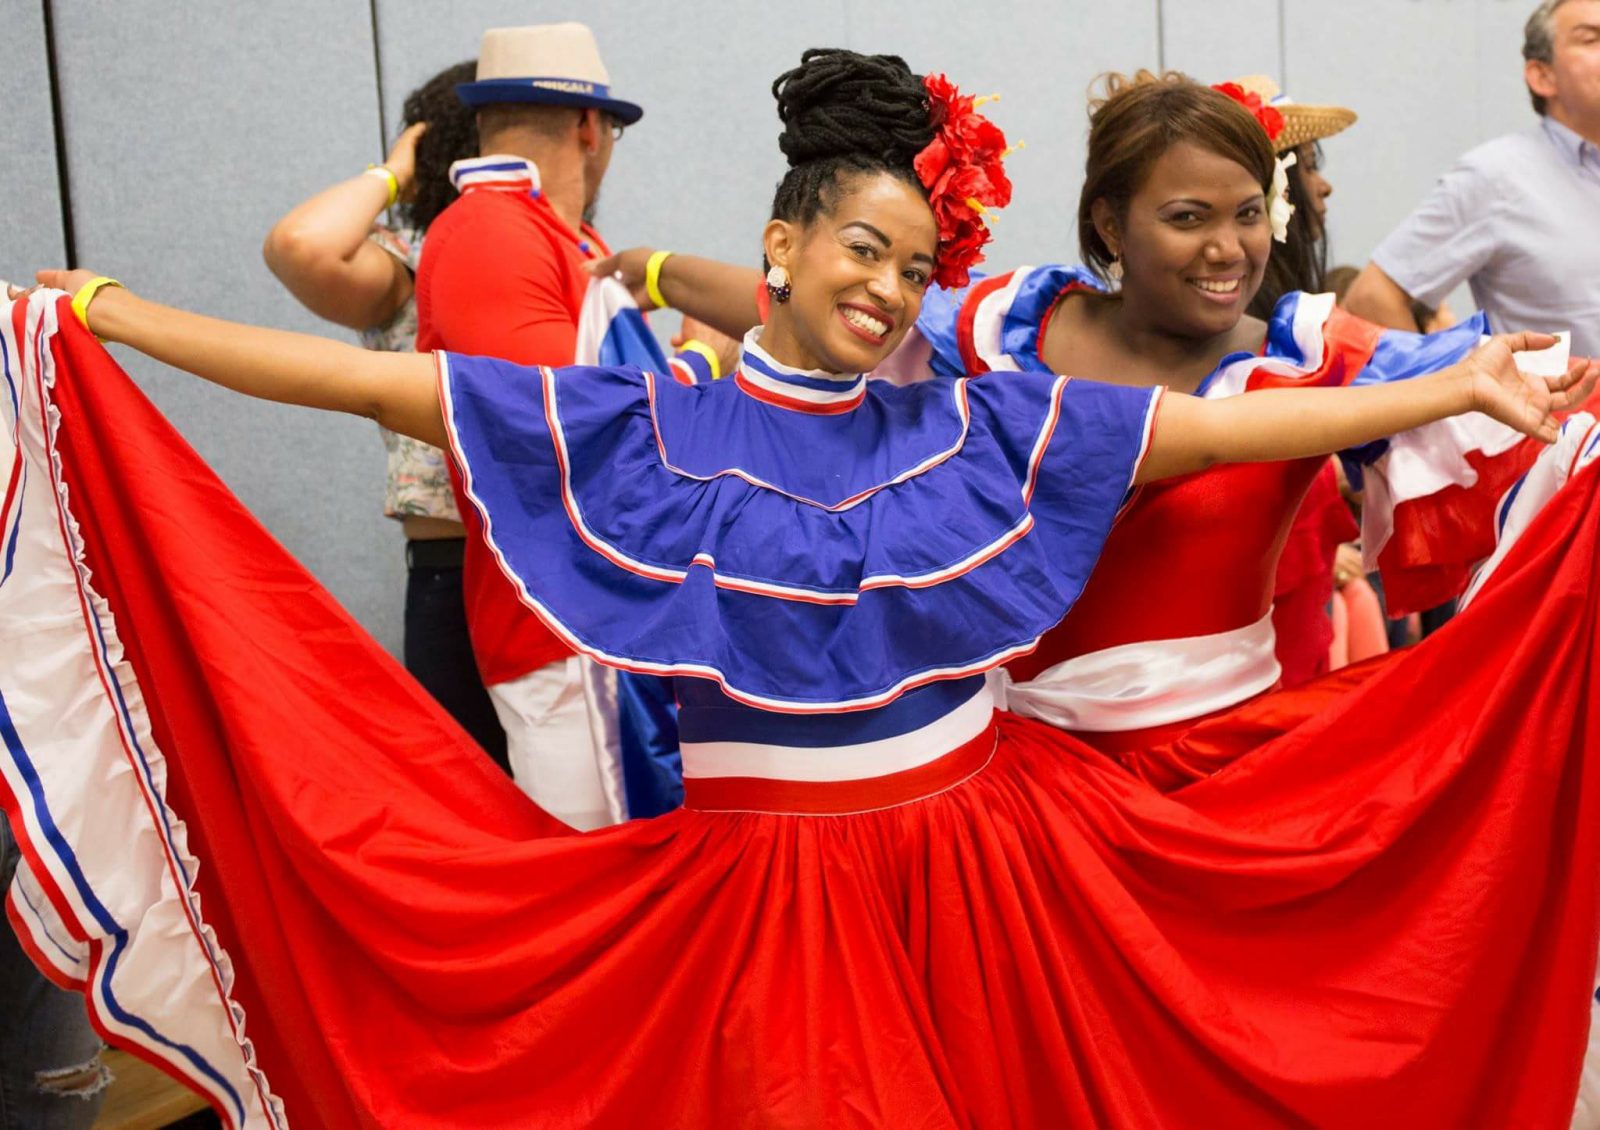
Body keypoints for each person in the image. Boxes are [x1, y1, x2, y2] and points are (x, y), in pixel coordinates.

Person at [5, 48, 1600, 1129]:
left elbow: (1225, 424)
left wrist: (1457, 386)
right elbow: (372, 391)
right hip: (762, 886)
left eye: (912, 266)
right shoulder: (648, 422)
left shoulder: (971, 421)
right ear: (783, 245)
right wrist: (127, 317)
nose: (887, 285)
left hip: (987, 856)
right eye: (861, 249)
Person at [412, 24, 726, 826]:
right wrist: (703, 361)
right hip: (565, 623)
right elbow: (569, 425)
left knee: (648, 871)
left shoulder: (547, 235)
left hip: (606, 616)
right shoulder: (491, 231)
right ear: (592, 129)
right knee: (612, 875)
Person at [260, 61, 511, 767]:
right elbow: (301, 247)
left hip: (564, 563)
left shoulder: (568, 257)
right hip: (453, 568)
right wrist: (396, 172)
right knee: (481, 798)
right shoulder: (409, 264)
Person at [1345, 0, 1600, 353]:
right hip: (1563, 408)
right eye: (1591, 39)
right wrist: (1455, 400)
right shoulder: (1498, 176)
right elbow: (1371, 297)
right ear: (1543, 76)